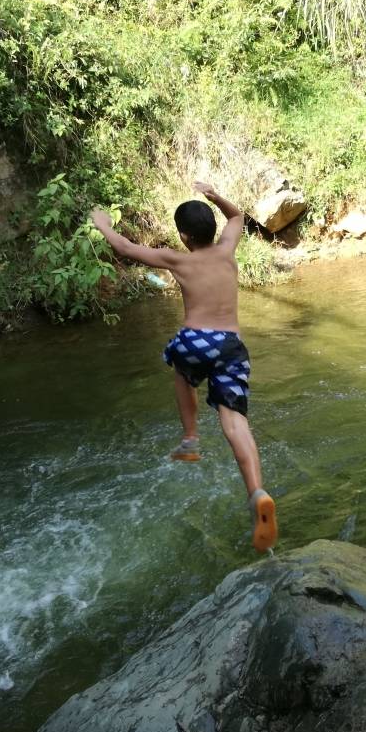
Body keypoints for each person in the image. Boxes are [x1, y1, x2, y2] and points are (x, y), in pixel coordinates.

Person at [90, 182, 278, 553]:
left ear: (184, 236)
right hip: (230, 346)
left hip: (196, 340)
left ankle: (190, 438)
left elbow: (125, 248)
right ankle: (256, 492)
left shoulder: (179, 260)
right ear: (212, 229)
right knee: (235, 422)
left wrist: (103, 225)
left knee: (181, 369)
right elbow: (238, 216)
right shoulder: (227, 250)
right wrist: (214, 195)